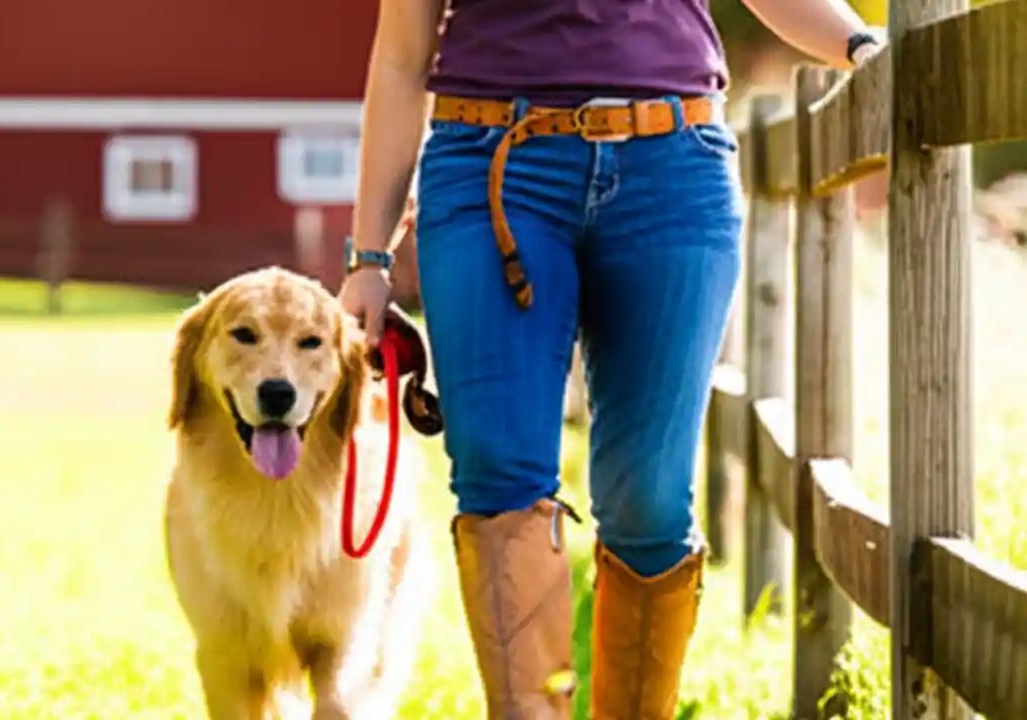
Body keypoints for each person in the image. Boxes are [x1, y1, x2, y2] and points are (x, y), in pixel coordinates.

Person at [338, 1, 883, 716]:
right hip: (490, 170)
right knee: (498, 475)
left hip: (673, 168)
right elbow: (402, 55)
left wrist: (865, 47)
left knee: (650, 501)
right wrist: (369, 258)